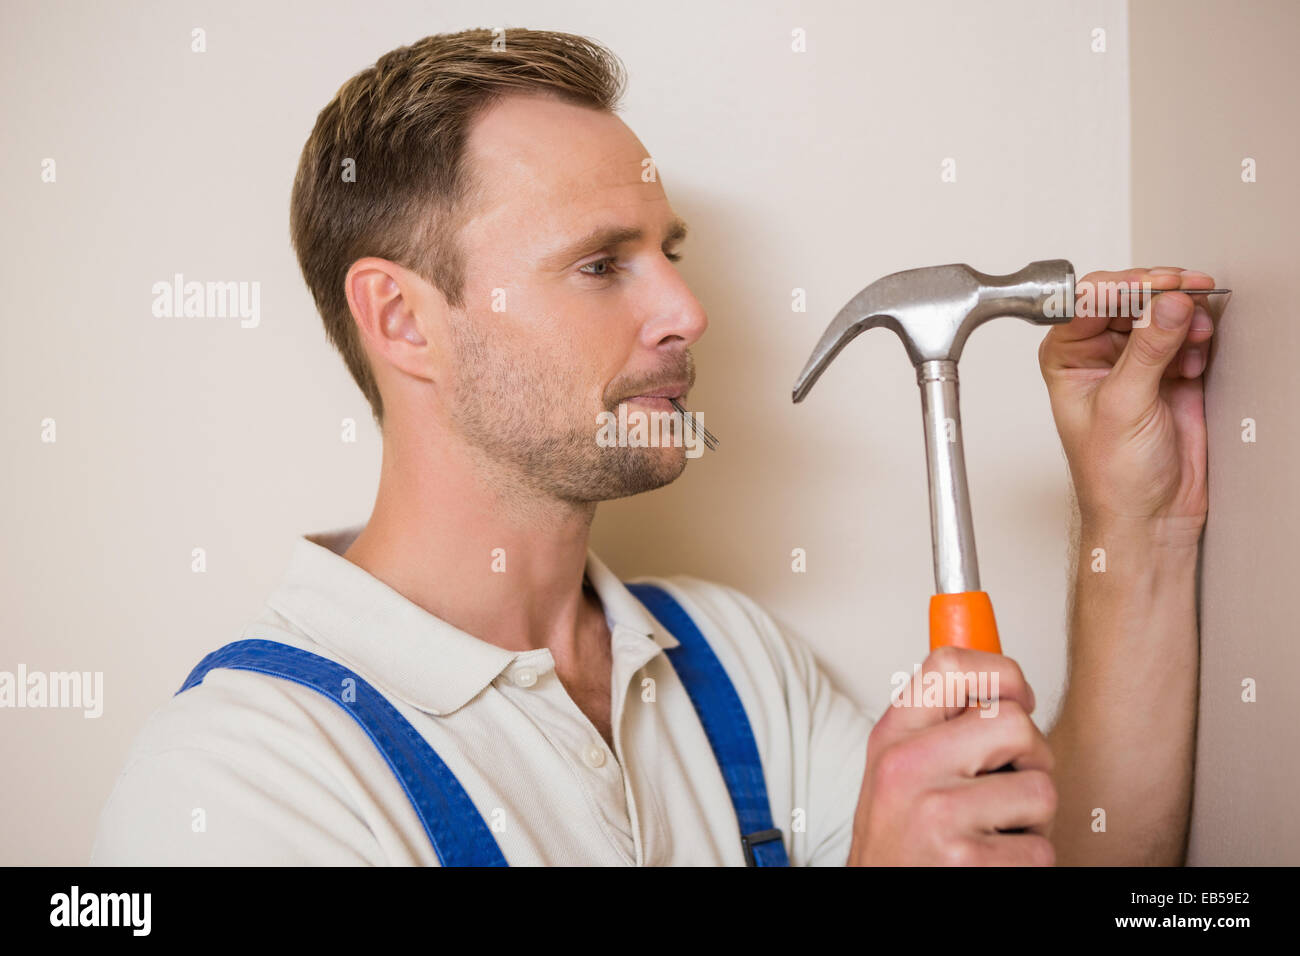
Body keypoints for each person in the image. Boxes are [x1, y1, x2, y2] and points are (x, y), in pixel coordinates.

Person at [91, 27, 1215, 866]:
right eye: (601, 262)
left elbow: (1070, 857)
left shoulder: (728, 661)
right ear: (402, 319)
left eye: (666, 251)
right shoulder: (243, 781)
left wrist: (1139, 524)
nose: (686, 308)